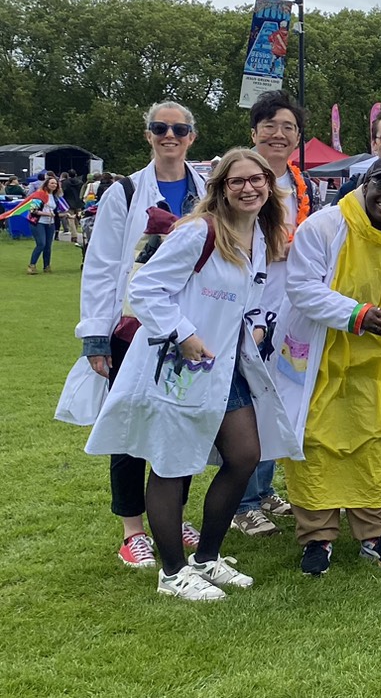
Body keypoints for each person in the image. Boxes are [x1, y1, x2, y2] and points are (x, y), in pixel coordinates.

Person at [84, 148, 299, 599]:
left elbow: (245, 298)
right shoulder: (200, 232)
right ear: (220, 188)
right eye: (237, 181)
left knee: (244, 456)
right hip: (180, 367)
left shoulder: (259, 235)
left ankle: (207, 559)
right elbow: (144, 289)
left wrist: (255, 326)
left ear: (268, 186)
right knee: (171, 462)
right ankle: (173, 572)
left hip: (226, 368)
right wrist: (184, 333)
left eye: (257, 180)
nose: (249, 188)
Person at [272, 158, 381, 576]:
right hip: (317, 355)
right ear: (364, 183)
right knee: (314, 443)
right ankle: (317, 538)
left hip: (370, 361)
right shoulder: (323, 226)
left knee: (372, 443)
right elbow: (302, 287)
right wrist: (358, 315)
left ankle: (373, 535)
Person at [69, 101, 207, 569]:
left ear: (192, 135)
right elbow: (102, 266)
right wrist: (95, 336)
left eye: (179, 129)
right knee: (130, 429)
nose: (170, 135)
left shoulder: (207, 187)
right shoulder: (124, 191)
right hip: (131, 329)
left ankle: (174, 515)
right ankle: (133, 531)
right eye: (160, 128)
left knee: (179, 423)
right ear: (148, 134)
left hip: (186, 329)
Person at [232, 90, 319, 536]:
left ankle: (264, 491)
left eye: (288, 127)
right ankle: (242, 502)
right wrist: (275, 246)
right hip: (247, 307)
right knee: (247, 403)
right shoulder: (239, 177)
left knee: (281, 398)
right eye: (270, 126)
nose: (279, 134)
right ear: (254, 132)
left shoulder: (302, 185)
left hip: (292, 307)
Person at [25, 176, 63, 275]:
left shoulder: (54, 197)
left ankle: (47, 266)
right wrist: (47, 214)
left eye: (55, 184)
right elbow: (33, 210)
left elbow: (55, 212)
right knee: (41, 244)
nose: (54, 185)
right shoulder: (39, 195)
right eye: (52, 183)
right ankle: (32, 265)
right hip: (38, 223)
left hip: (50, 223)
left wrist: (67, 215)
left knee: (48, 246)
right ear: (46, 184)